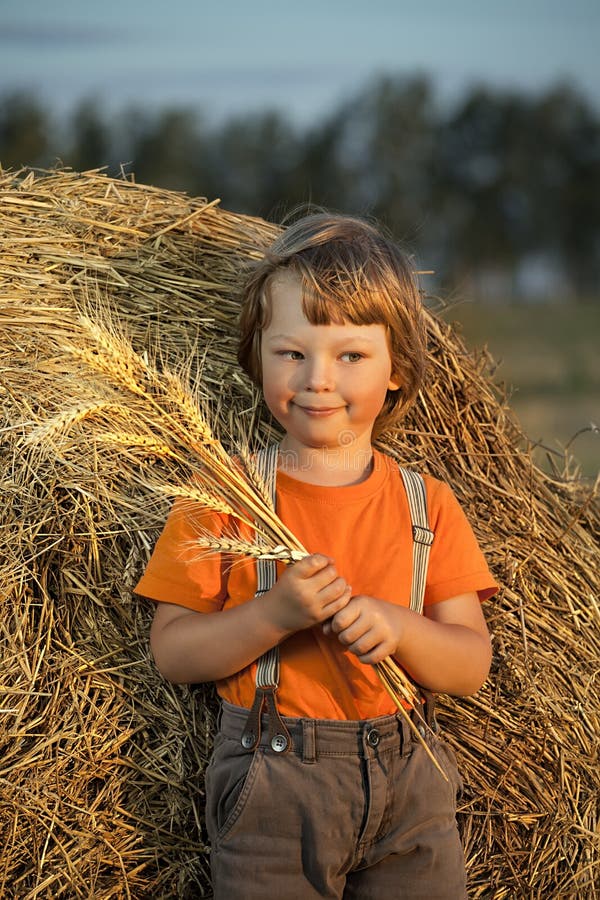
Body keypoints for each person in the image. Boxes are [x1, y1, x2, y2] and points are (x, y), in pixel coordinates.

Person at [135, 213, 497, 899]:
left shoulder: (429, 506)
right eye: (291, 353)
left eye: (350, 356)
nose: (317, 379)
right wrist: (274, 614)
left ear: (399, 371)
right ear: (257, 356)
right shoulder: (221, 496)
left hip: (411, 787)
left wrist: (400, 628)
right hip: (274, 789)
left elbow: (470, 665)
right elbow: (173, 653)